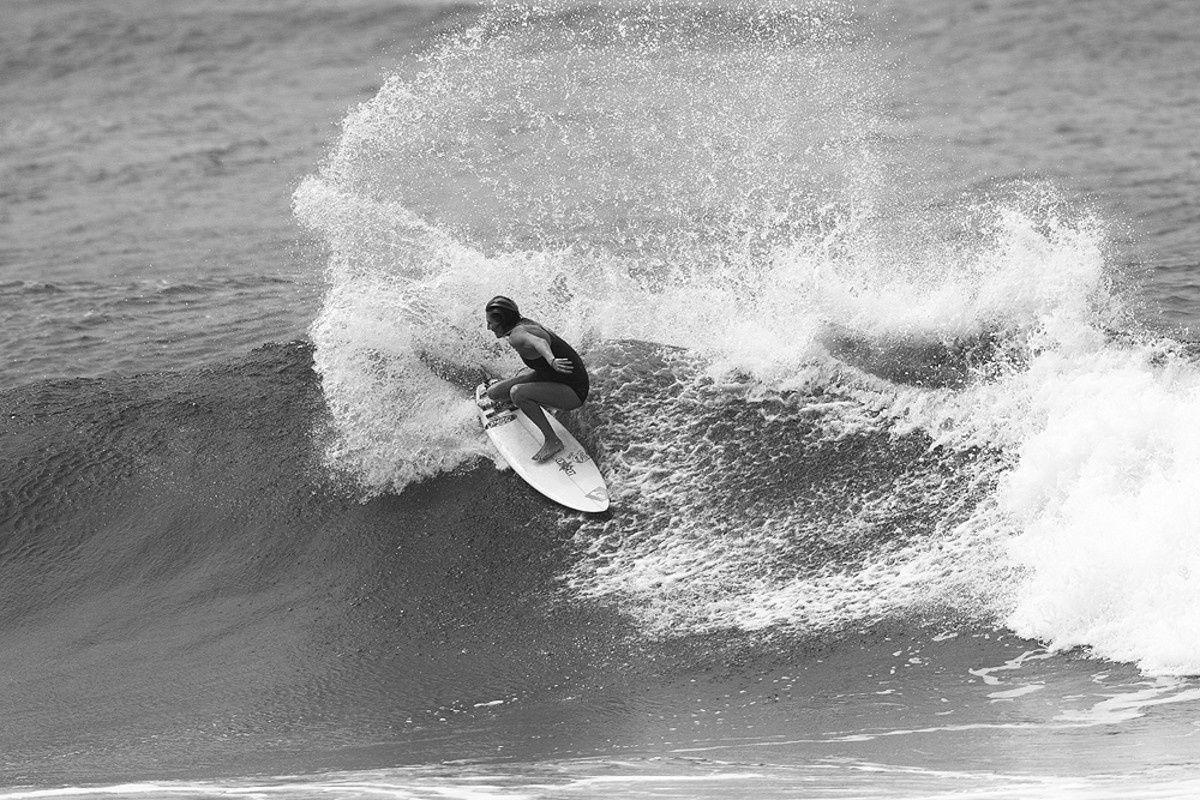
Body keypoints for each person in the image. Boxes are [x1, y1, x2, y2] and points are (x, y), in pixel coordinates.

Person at [481, 295, 590, 463]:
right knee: (494, 393)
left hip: (573, 389)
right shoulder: (522, 324)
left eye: (490, 322)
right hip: (549, 375)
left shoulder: (517, 335)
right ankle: (516, 402)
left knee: (517, 393)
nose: (488, 327)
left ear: (502, 321)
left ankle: (553, 440)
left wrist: (551, 360)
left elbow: (538, 342)